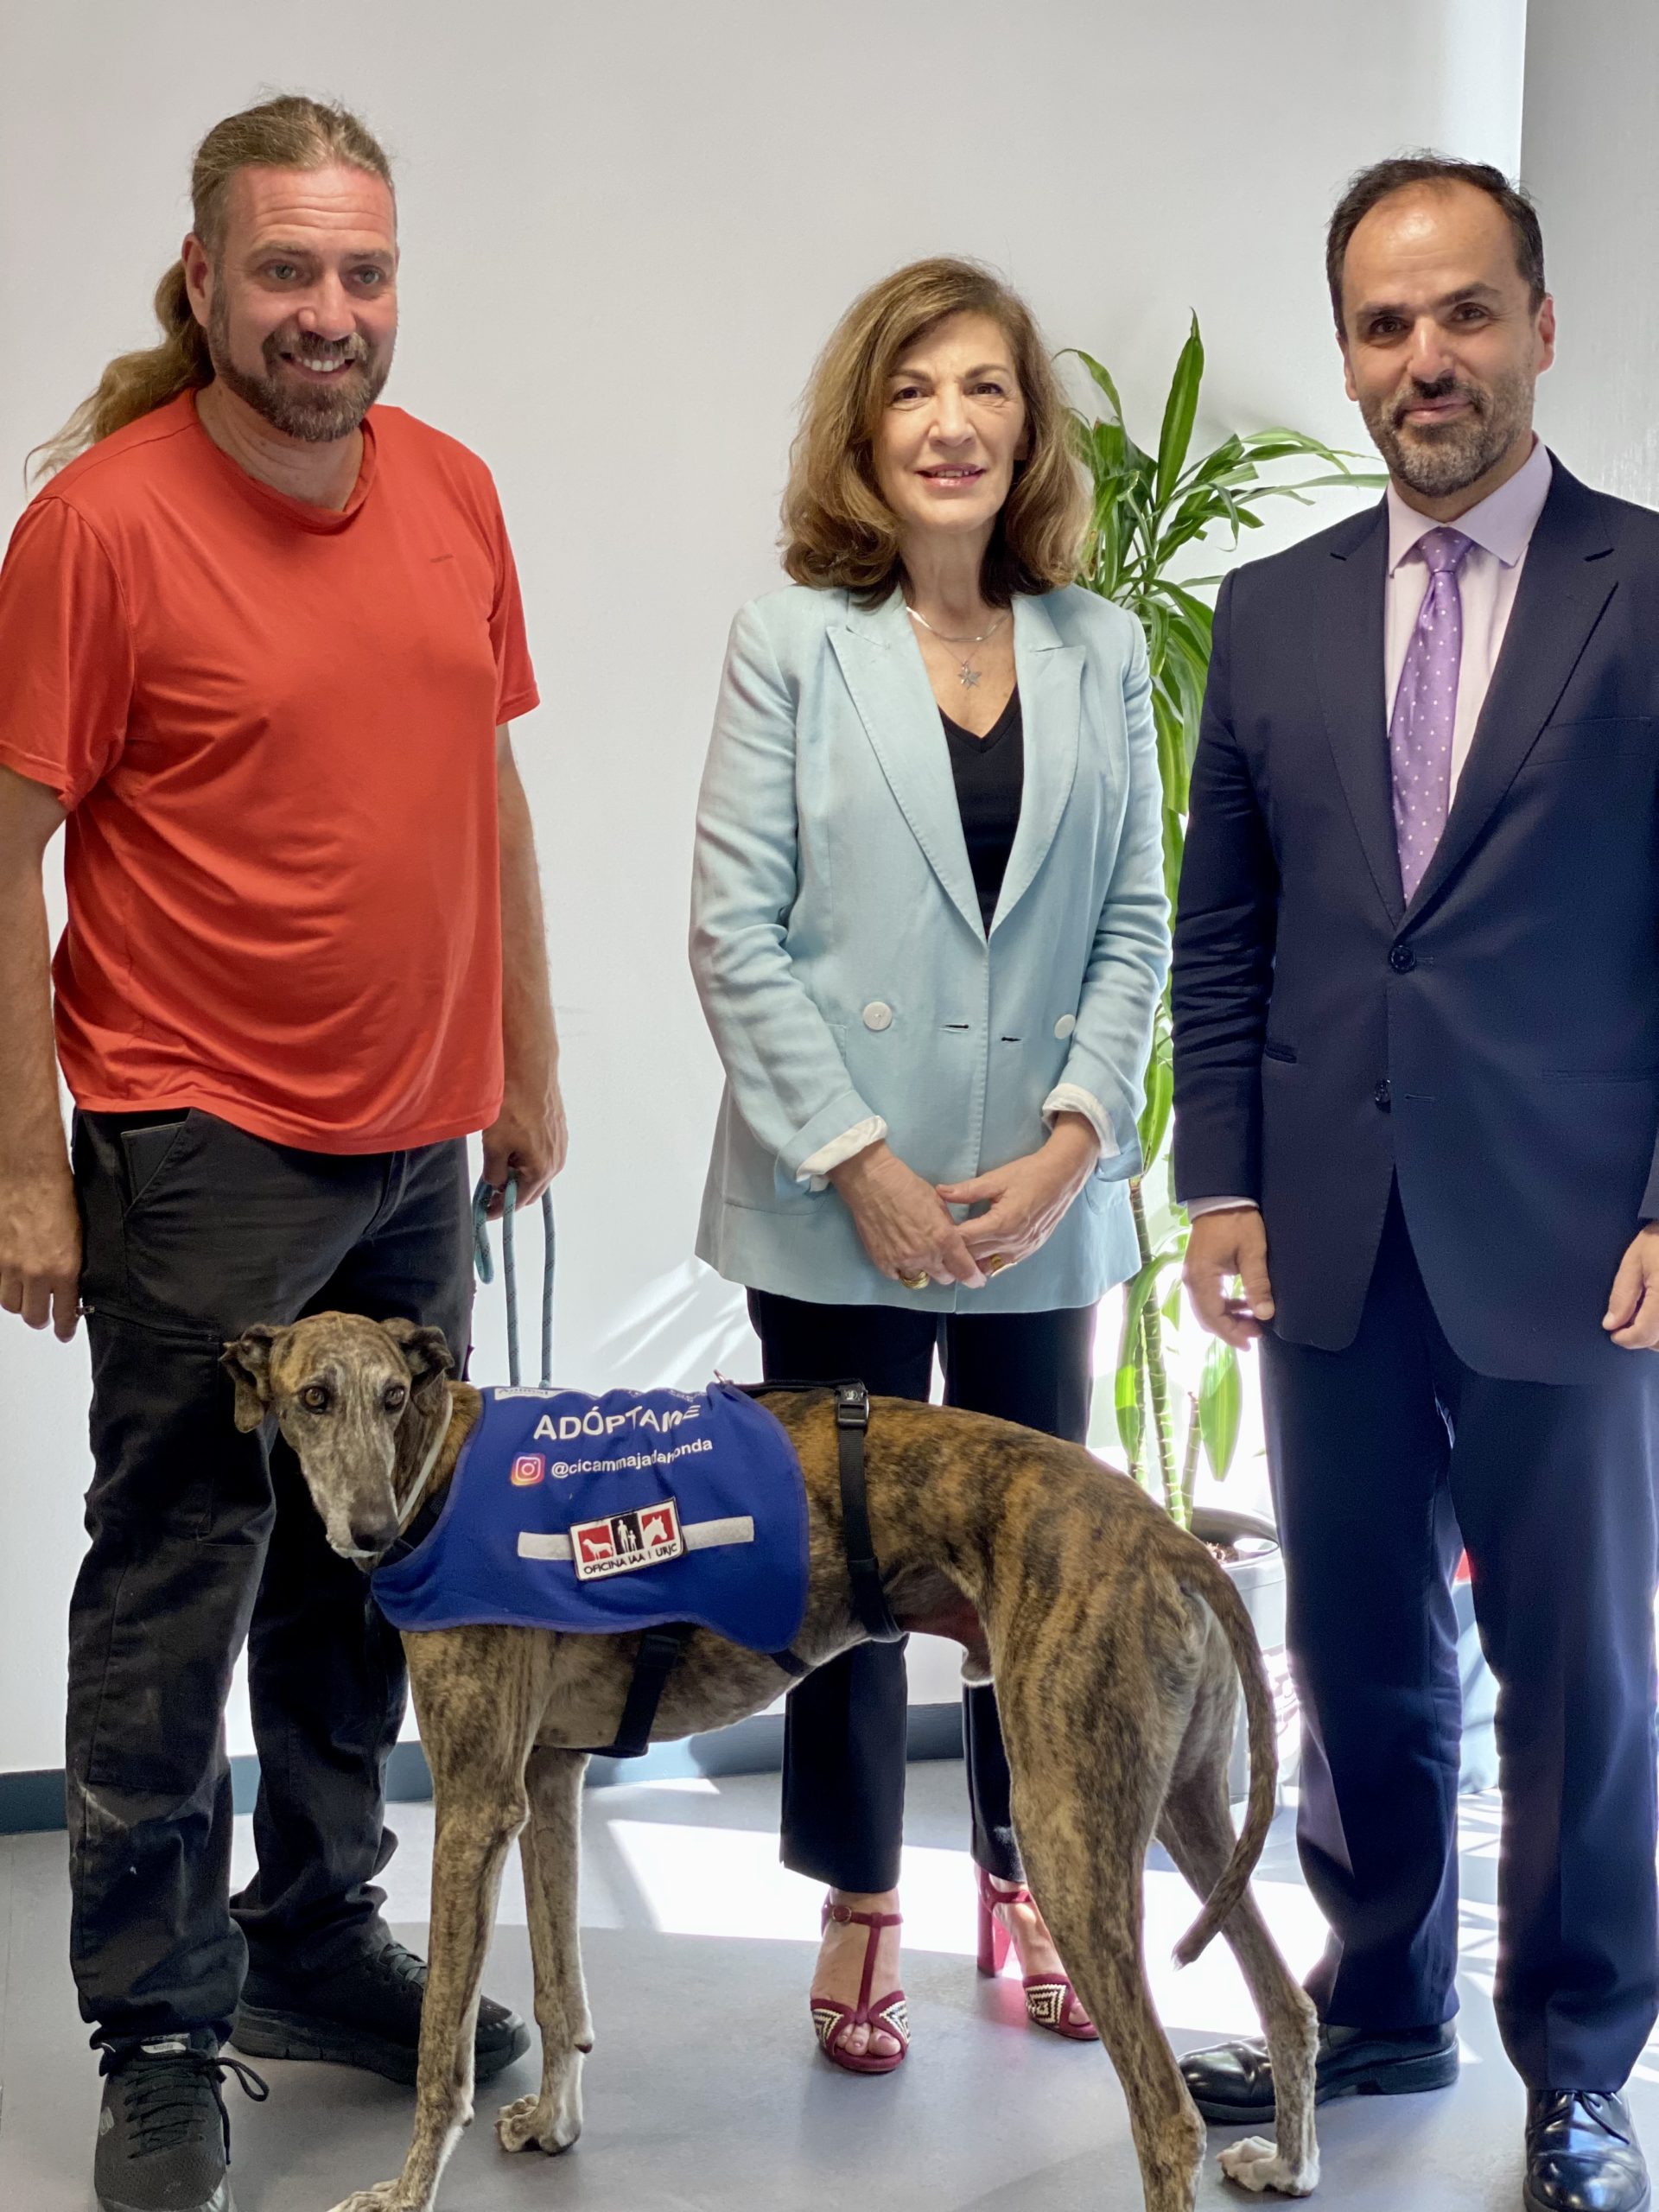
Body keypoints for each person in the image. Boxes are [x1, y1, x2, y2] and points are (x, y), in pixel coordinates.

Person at [0, 96, 566, 2212]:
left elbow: (482, 795)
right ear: (204, 285)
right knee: (176, 1582)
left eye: (363, 273)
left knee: (379, 1566)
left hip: (421, 1134)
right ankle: (157, 2021)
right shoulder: (102, 527)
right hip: (202, 1144)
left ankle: (316, 1940)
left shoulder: (456, 495)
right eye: (288, 273)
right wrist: (28, 1160)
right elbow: (10, 853)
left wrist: (520, 1053)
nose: (330, 315)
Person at [1173, 155, 1659, 2212]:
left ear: (1541, 326)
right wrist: (1223, 1181)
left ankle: (1577, 2064)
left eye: (1465, 313)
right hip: (1335, 1227)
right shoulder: (1274, 610)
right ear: (1351, 353)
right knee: (1361, 1643)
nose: (1427, 358)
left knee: (1579, 1671)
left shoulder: (1647, 588)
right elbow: (1232, 931)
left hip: (1577, 1231)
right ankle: (1380, 2000)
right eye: (1386, 324)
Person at [690, 257, 1168, 2071]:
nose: (953, 423)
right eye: (914, 391)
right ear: (864, 431)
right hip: (834, 1199)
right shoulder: (790, 639)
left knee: (1037, 1561)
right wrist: (859, 1157)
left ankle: (1031, 1878)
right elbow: (735, 929)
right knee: (846, 1560)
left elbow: (1135, 913)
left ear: (1028, 425)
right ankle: (858, 1894)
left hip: (1036, 1201)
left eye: (985, 387)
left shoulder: (1100, 648)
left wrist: (1072, 1144)